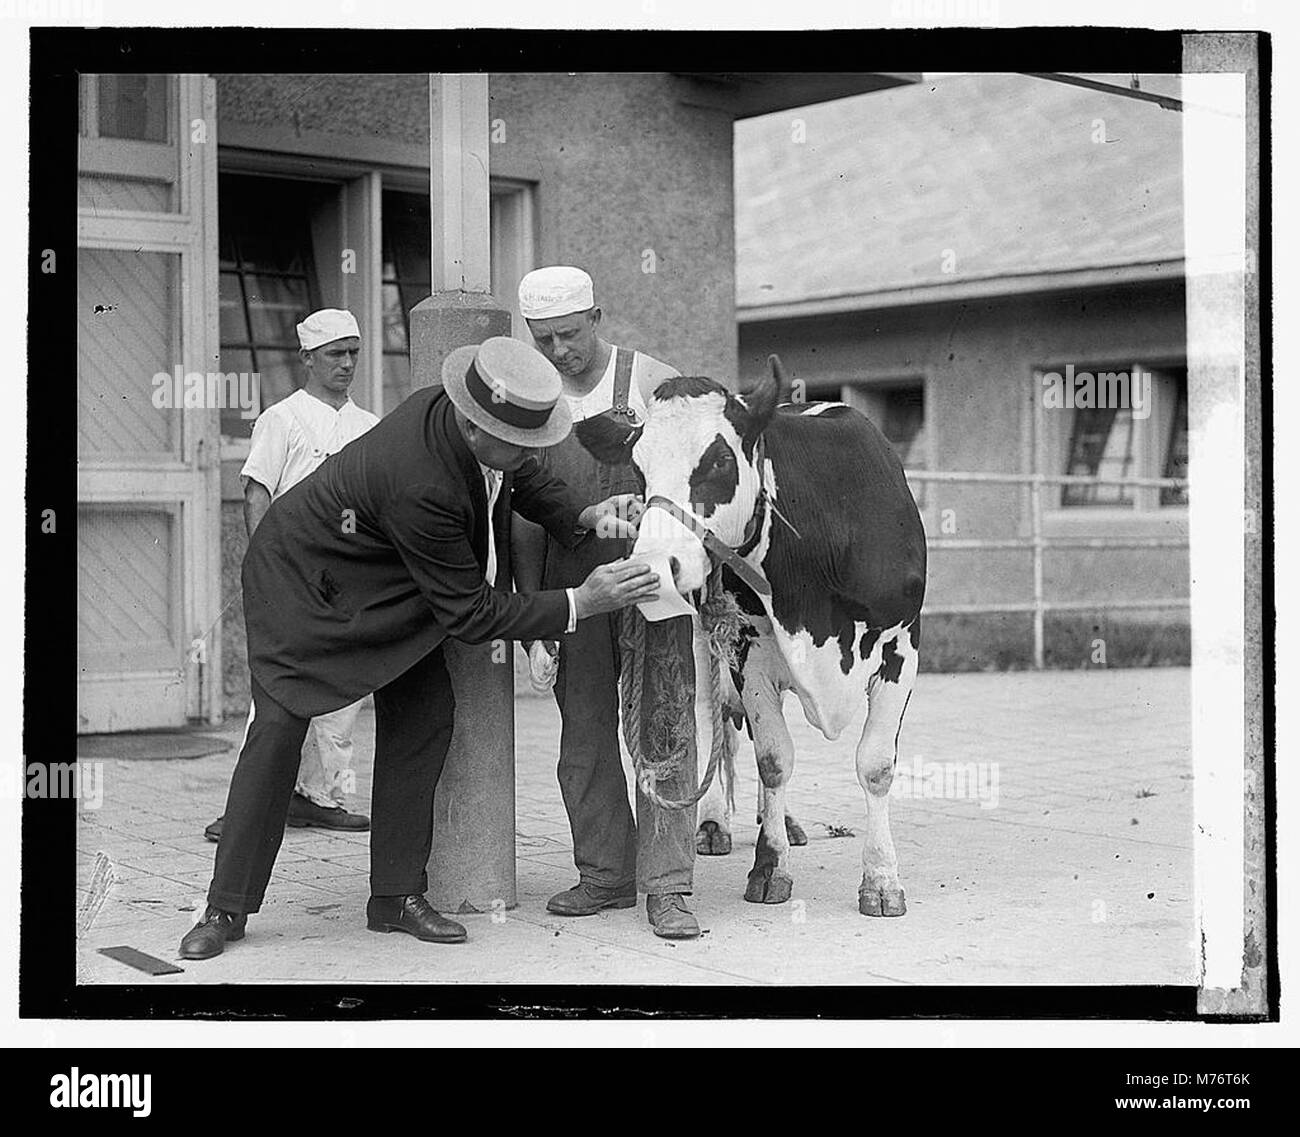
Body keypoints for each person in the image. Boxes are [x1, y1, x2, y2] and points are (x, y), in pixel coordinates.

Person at [179, 335, 659, 960]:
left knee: (425, 719)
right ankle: (225, 908)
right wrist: (580, 602)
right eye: (519, 444)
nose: (528, 454)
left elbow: (525, 478)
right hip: (303, 589)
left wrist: (587, 515)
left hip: (390, 587)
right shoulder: (421, 479)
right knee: (277, 734)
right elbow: (469, 611)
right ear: (474, 423)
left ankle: (395, 898)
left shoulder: (485, 431)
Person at [512, 265, 701, 940]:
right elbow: (525, 517)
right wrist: (534, 616)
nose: (559, 351)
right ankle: (606, 873)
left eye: (568, 334)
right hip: (576, 588)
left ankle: (670, 886)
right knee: (583, 735)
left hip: (653, 583)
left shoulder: (652, 381)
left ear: (597, 315)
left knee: (665, 726)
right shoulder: (531, 400)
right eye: (543, 340)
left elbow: (697, 481)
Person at [204, 308, 374, 843]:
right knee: (276, 698)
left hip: (346, 575)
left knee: (343, 694)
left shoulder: (368, 426)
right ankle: (249, 807)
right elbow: (257, 492)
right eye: (334, 355)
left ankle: (320, 797)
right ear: (307, 358)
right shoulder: (283, 418)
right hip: (291, 572)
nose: (346, 364)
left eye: (352, 353)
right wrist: (265, 571)